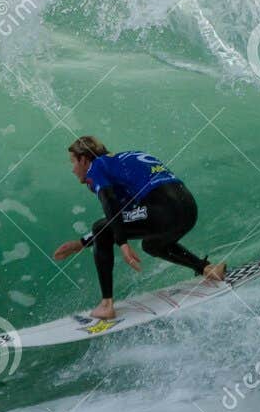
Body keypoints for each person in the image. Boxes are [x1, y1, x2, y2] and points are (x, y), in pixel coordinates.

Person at [51, 136, 226, 320]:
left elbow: (110, 204)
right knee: (152, 245)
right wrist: (82, 243)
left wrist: (122, 243)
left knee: (99, 227)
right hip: (188, 209)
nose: (73, 169)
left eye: (73, 162)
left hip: (164, 209)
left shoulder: (97, 166)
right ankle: (207, 268)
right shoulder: (124, 160)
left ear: (84, 159)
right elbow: (120, 217)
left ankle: (106, 305)